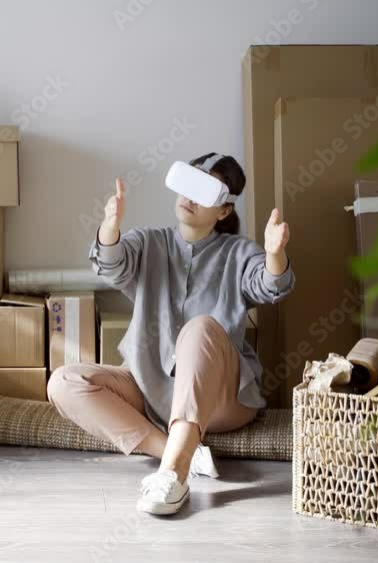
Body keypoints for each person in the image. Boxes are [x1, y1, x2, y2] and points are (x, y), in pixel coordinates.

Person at [47, 152, 294, 516]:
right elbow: (111, 264)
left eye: (204, 189)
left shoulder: (239, 253)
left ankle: (173, 475)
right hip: (152, 388)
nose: (189, 196)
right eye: (188, 183)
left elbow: (271, 285)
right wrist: (110, 228)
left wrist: (275, 254)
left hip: (224, 398)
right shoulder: (150, 242)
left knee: (200, 329)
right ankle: (176, 450)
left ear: (223, 210)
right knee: (64, 382)